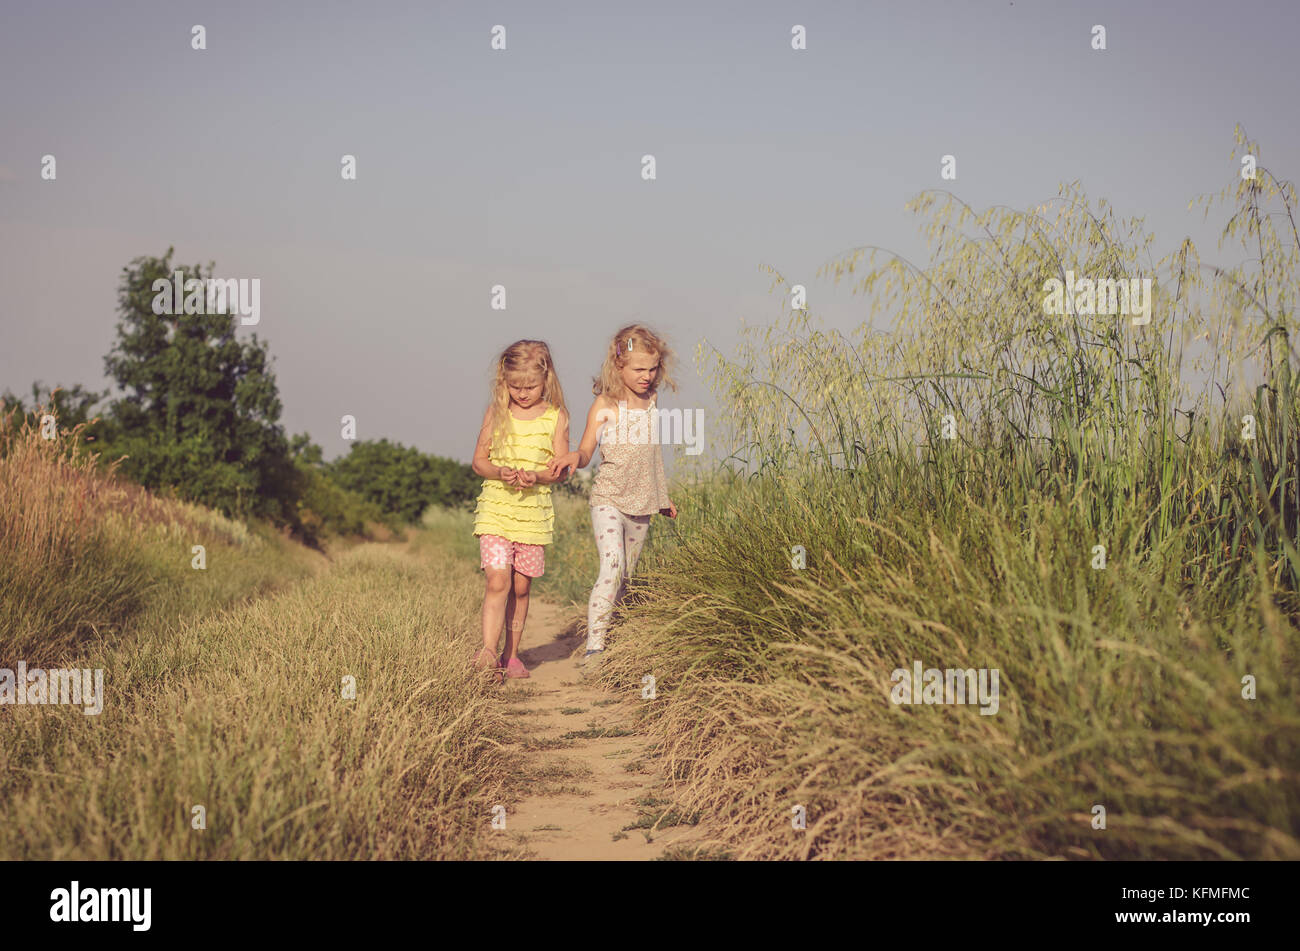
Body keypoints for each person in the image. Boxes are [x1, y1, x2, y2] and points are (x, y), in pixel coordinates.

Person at [547, 324, 677, 674]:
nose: (647, 376)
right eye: (639, 369)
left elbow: (653, 454)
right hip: (609, 498)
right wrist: (574, 457)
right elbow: (588, 450)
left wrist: (661, 497)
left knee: (628, 576)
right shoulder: (605, 404)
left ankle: (618, 639)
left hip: (643, 502)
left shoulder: (652, 402)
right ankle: (595, 649)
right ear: (618, 365)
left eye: (652, 369)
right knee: (613, 565)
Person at [470, 340, 570, 680]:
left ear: (546, 379)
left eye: (530, 386)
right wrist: (500, 472)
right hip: (496, 509)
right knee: (498, 580)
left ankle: (510, 656)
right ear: (504, 381)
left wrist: (537, 476)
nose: (523, 393)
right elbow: (478, 462)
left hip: (533, 516)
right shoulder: (496, 413)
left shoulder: (557, 418)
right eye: (515, 386)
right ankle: (486, 651)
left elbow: (562, 471)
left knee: (521, 587)